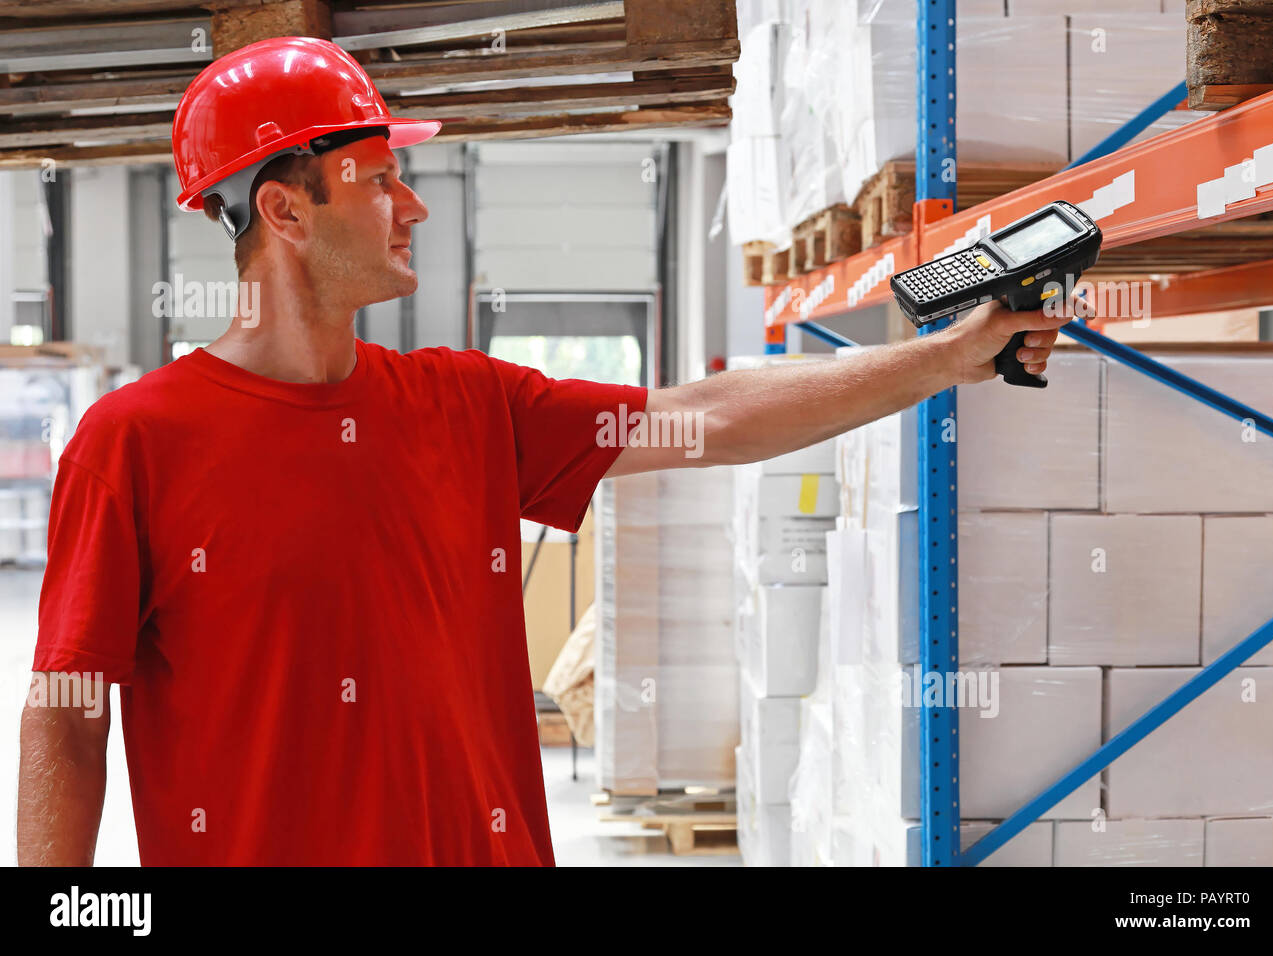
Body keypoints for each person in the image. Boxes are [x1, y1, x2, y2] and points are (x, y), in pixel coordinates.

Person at [17, 37, 1070, 866]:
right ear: (285, 208)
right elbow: (66, 712)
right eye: (381, 176)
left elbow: (706, 415)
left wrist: (945, 359)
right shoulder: (137, 443)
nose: (414, 203)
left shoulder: (464, 403)